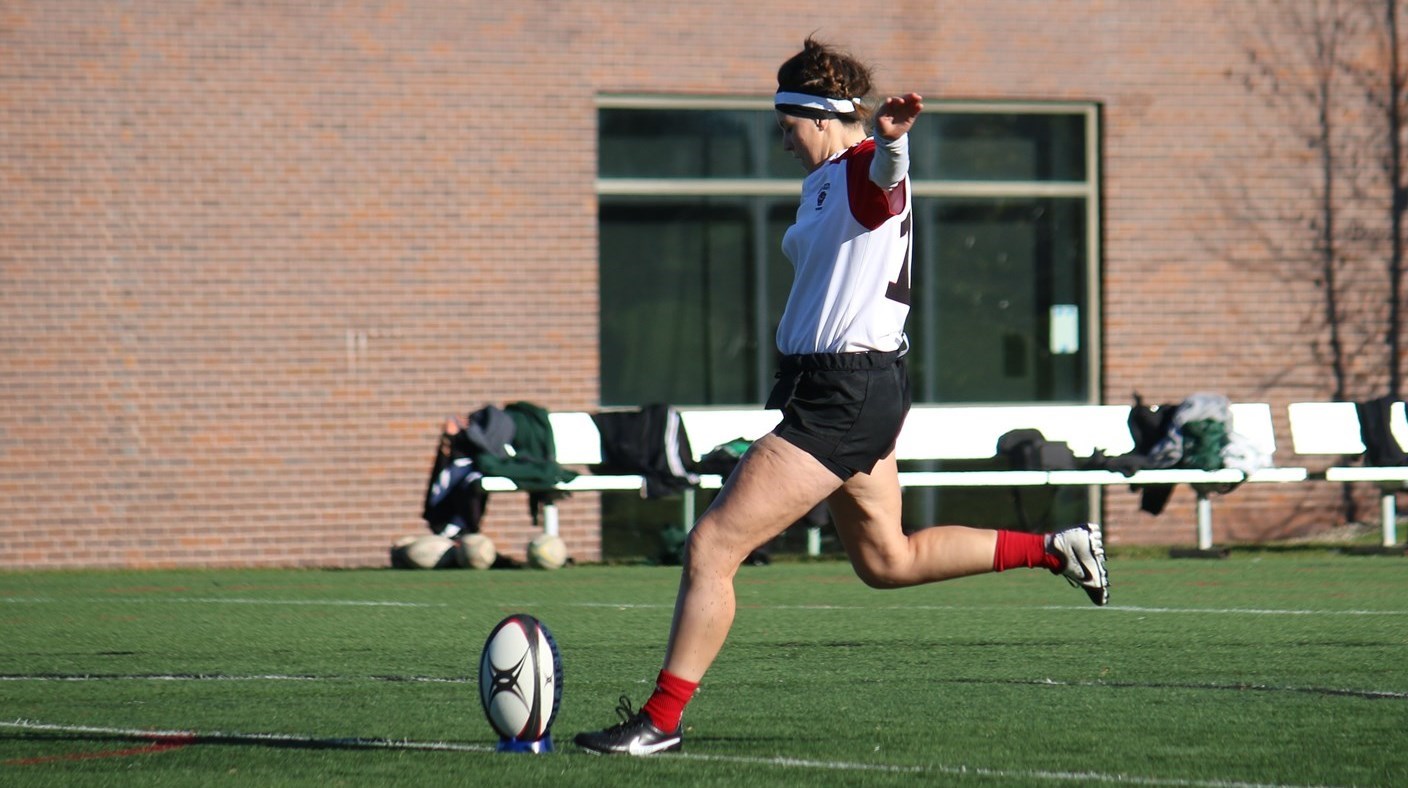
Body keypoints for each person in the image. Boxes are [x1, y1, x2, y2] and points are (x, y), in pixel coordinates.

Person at [574, 36, 1108, 756]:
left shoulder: (863, 168)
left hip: (843, 394)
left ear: (822, 117)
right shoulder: (827, 179)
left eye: (787, 126)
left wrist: (893, 142)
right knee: (887, 561)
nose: (781, 141)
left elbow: (886, 181)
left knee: (711, 546)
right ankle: (1056, 549)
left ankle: (660, 722)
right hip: (850, 389)